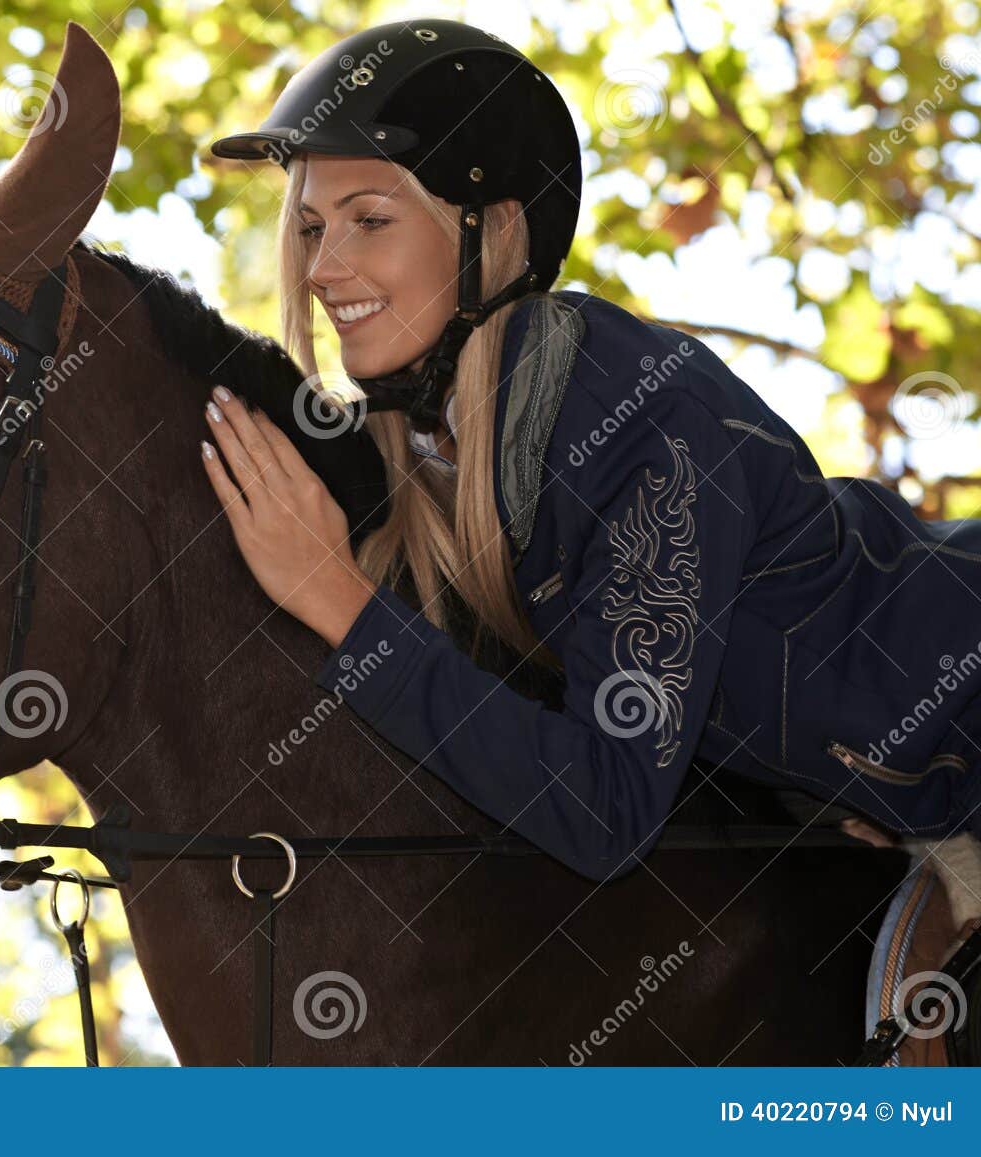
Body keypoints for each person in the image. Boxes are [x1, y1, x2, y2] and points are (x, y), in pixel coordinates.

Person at [200, 17, 981, 883]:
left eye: (370, 220)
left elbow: (605, 809)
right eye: (309, 229)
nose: (318, 270)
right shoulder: (430, 442)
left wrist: (337, 600)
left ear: (490, 230)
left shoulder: (625, 404)